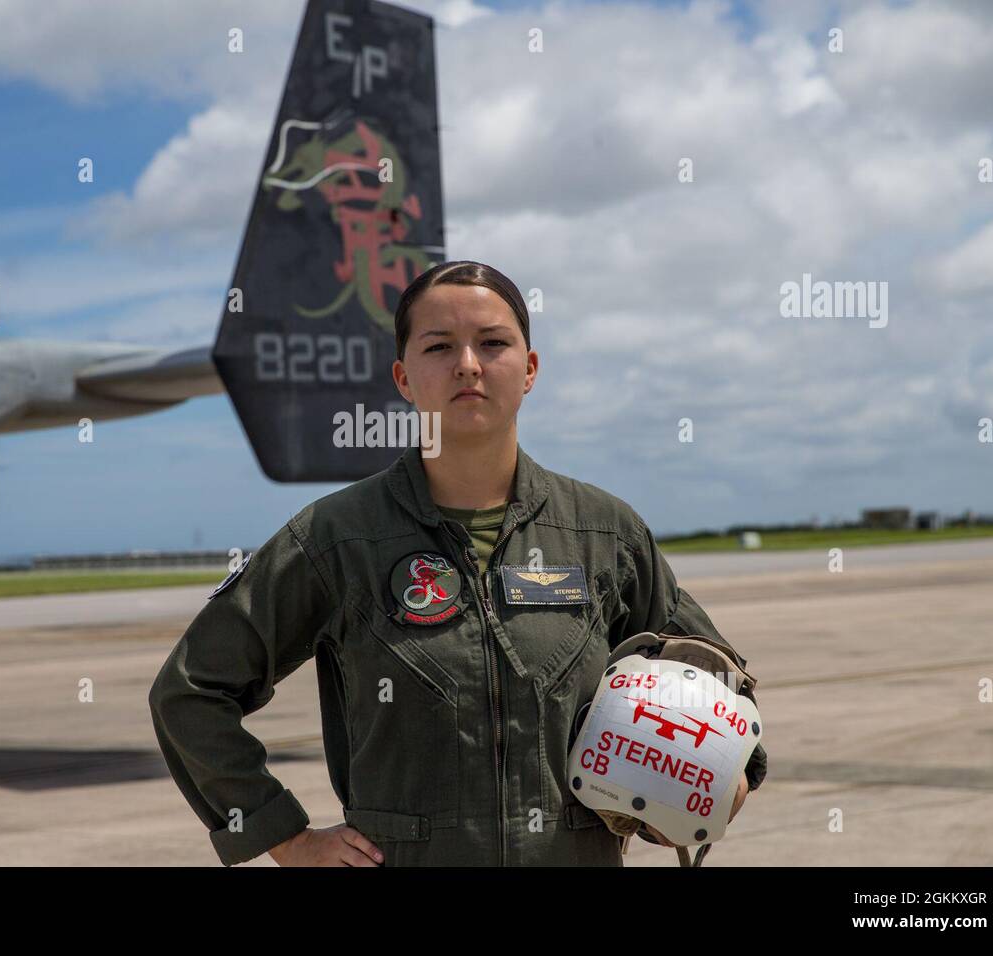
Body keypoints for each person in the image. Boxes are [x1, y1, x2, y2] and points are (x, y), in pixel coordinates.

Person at [149, 260, 766, 866]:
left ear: (528, 370)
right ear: (403, 377)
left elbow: (718, 678)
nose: (468, 364)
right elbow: (192, 692)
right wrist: (286, 837)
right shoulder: (336, 539)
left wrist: (725, 777)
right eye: (440, 346)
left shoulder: (604, 534)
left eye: (492, 343)